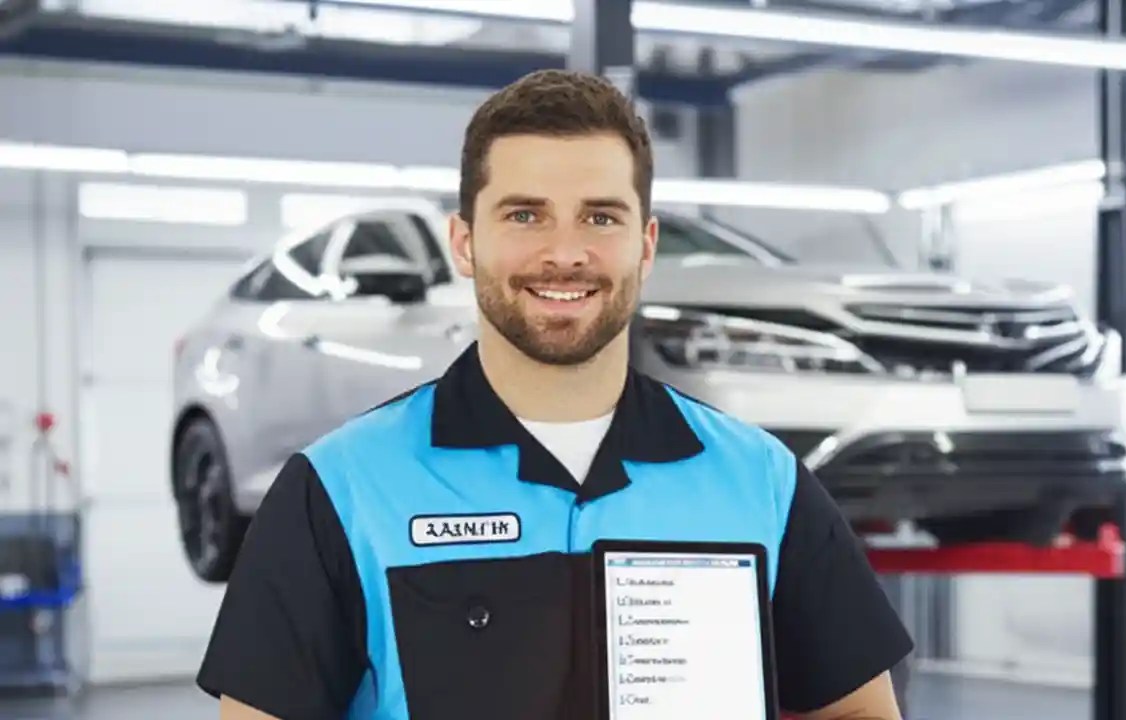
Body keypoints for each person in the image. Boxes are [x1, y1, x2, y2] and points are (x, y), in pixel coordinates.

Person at [197, 68, 913, 720]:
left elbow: (858, 712)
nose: (565, 252)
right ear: (465, 242)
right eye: (524, 214)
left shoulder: (763, 483)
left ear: (647, 243)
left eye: (600, 217)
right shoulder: (339, 491)